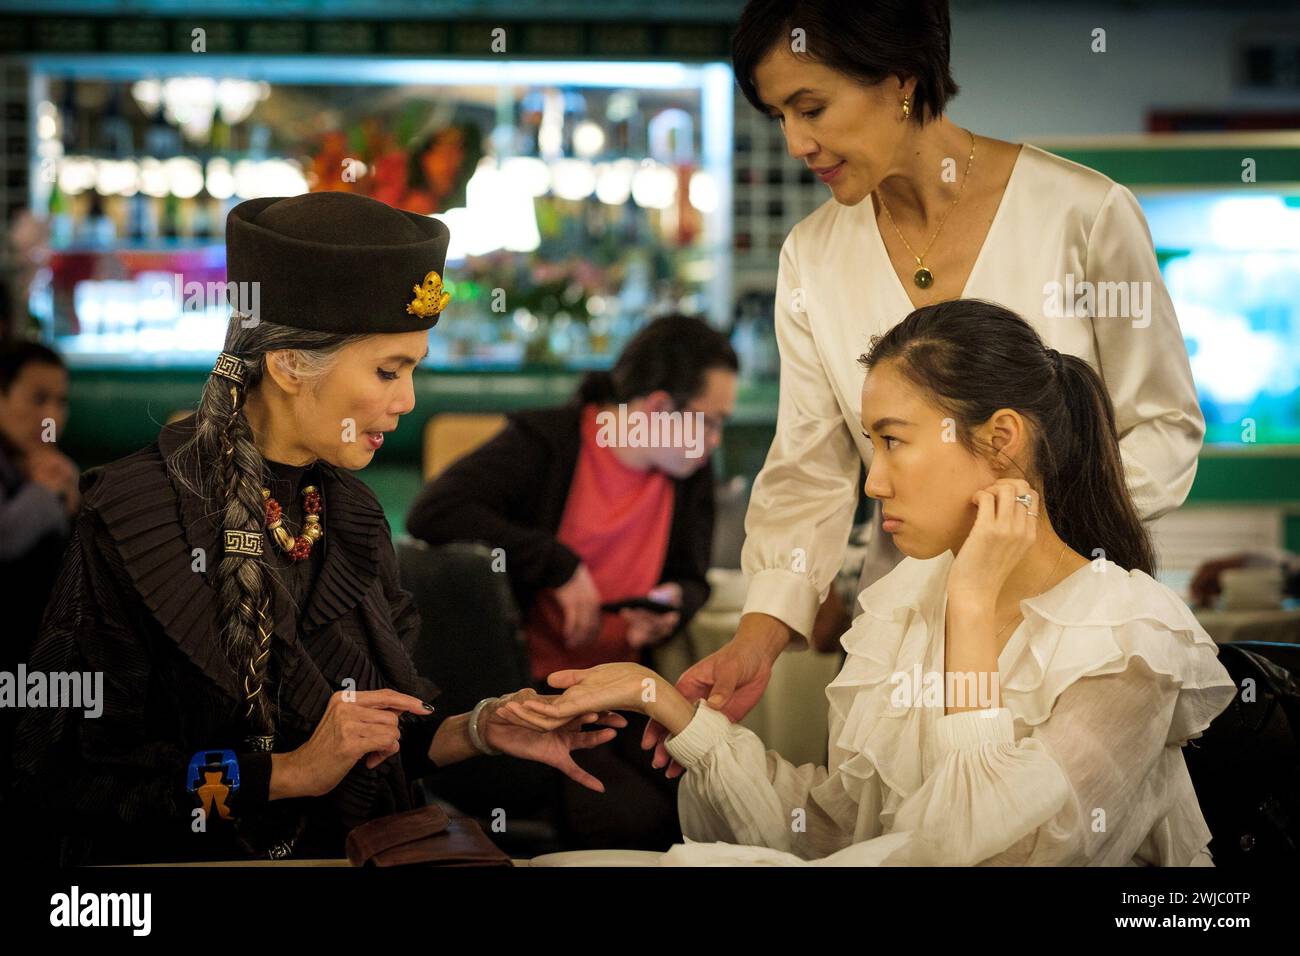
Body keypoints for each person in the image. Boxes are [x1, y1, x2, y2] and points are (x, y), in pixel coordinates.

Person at [643, 0, 1207, 776]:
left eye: (812, 108)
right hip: (900, 636)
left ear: (902, 80)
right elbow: (811, 466)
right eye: (778, 115)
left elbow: (1165, 425)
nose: (796, 143)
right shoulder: (813, 255)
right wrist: (761, 636)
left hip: (1072, 620)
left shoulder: (1082, 214)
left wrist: (1030, 545)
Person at [11, 191, 624, 864]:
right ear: (290, 363)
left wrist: (484, 728)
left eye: (413, 368)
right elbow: (67, 780)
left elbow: (380, 746)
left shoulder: (352, 513)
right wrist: (291, 772)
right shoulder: (138, 515)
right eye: (388, 370)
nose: (407, 400)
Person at [513, 300, 1235, 866]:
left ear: (1002, 440)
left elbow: (988, 855)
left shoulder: (1130, 639)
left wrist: (973, 605)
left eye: (893, 440)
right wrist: (661, 700)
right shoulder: (905, 605)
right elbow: (831, 830)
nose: (874, 480)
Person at [406, 314, 738, 849]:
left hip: (627, 689)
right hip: (531, 695)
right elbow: (434, 511)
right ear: (657, 410)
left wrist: (674, 603)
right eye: (712, 421)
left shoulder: (687, 471)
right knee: (633, 822)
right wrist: (558, 564)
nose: (715, 440)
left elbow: (691, 578)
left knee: (707, 801)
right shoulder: (548, 442)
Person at [0, 341, 76, 814]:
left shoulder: (42, 468)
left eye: (61, 402)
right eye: (37, 399)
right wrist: (47, 496)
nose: (52, 416)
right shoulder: (40, 477)